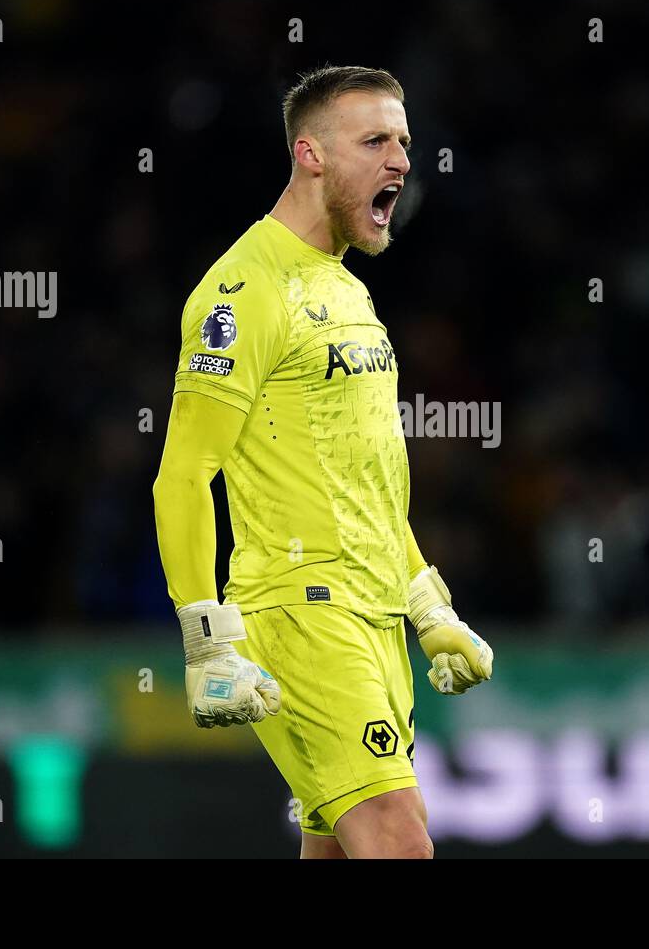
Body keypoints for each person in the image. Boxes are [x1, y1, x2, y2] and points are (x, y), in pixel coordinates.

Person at [152, 65, 494, 859]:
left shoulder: (345, 290)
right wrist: (208, 636)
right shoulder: (242, 294)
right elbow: (181, 476)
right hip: (303, 614)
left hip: (370, 616)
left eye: (404, 142)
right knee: (399, 842)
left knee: (338, 850)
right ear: (309, 154)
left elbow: (362, 484)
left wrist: (428, 606)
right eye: (374, 141)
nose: (401, 161)